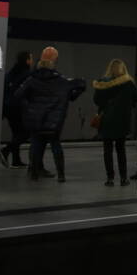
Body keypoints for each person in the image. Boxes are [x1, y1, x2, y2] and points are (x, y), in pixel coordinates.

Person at [12, 47, 85, 183]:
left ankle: (34, 173)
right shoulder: (61, 80)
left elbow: (17, 95)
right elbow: (78, 87)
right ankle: (61, 175)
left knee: (36, 146)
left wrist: (29, 106)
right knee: (56, 147)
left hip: (36, 119)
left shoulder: (32, 79)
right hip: (54, 121)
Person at [92, 58, 137, 186]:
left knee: (107, 150)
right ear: (123, 69)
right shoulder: (128, 83)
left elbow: (96, 100)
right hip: (122, 121)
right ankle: (123, 178)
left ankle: (110, 178)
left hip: (106, 120)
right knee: (121, 150)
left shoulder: (102, 83)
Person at [0, 50, 33, 169]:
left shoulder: (10, 73)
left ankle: (16, 160)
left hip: (7, 107)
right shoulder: (27, 74)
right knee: (26, 132)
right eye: (31, 58)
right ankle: (6, 150)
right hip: (18, 107)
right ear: (27, 60)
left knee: (16, 133)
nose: (32, 60)